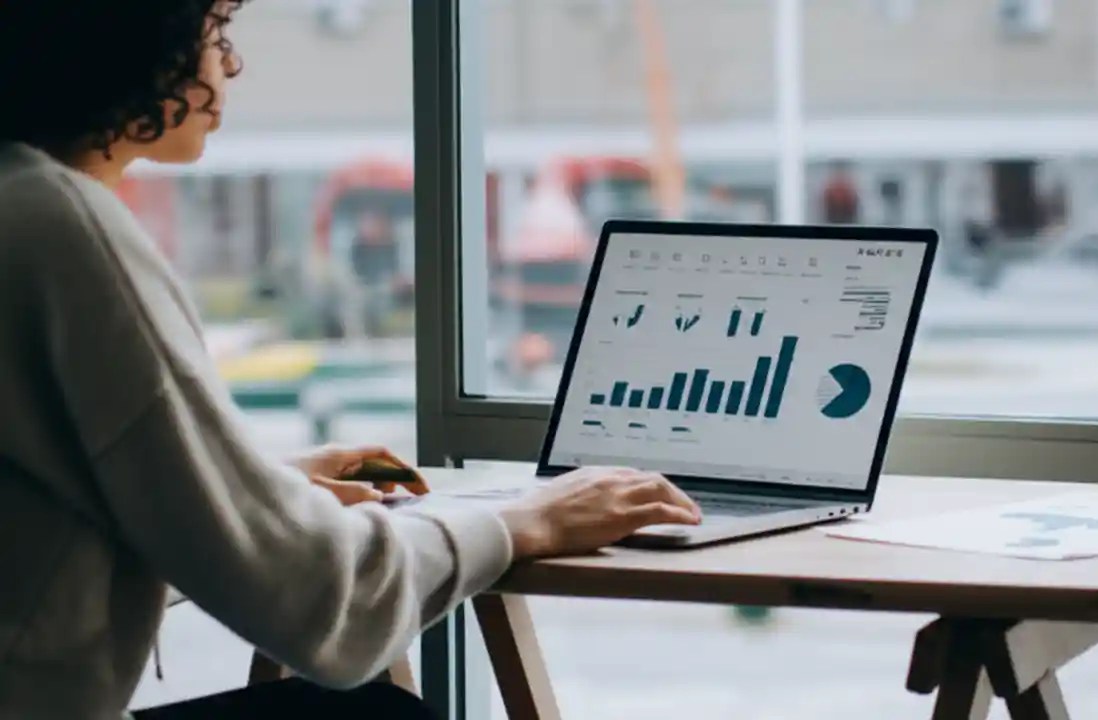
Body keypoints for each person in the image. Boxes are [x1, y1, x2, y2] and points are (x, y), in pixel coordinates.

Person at [0, 3, 702, 718]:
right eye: (216, 34)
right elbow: (318, 602)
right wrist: (528, 521)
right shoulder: (64, 232)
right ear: (133, 40)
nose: (230, 65)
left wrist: (256, 493)